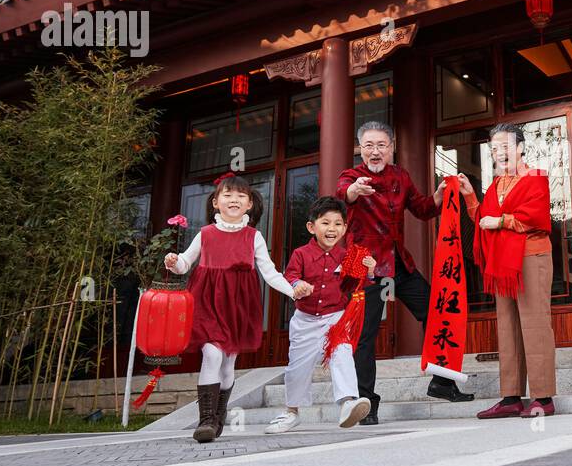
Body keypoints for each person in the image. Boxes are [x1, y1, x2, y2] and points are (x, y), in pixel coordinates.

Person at [337, 120, 473, 424]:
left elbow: (423, 209)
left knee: (436, 313)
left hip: (398, 262)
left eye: (381, 145)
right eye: (369, 145)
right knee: (364, 336)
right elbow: (343, 193)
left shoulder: (401, 175)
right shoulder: (352, 176)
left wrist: (439, 194)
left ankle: (442, 382)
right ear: (360, 149)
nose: (375, 151)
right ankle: (366, 403)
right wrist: (354, 191)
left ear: (391, 147)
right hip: (364, 266)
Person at [165, 172, 308, 442]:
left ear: (250, 204)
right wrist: (174, 262)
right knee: (212, 355)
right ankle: (206, 420)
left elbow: (270, 273)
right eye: (227, 194)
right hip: (206, 302)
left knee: (228, 364)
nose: (234, 199)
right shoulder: (205, 234)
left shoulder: (254, 236)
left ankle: (218, 415)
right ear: (215, 202)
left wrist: (293, 291)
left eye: (241, 195)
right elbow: (184, 263)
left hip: (237, 307)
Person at [458, 124, 557, 419]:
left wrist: (500, 221)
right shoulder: (496, 185)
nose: (499, 152)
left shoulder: (536, 177)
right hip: (504, 261)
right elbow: (482, 219)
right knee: (507, 327)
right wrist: (470, 196)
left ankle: (543, 398)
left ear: (520, 148)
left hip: (532, 255)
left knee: (535, 324)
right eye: (493, 149)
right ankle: (511, 397)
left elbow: (536, 217)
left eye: (505, 146)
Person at [266, 196, 375, 433]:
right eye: (325, 223)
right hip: (305, 320)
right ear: (311, 227)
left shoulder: (347, 256)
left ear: (344, 228)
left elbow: (356, 286)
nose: (331, 229)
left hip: (335, 317)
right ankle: (292, 412)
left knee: (342, 352)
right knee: (297, 368)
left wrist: (370, 271)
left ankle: (347, 403)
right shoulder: (300, 254)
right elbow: (290, 276)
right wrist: (297, 285)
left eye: (338, 224)